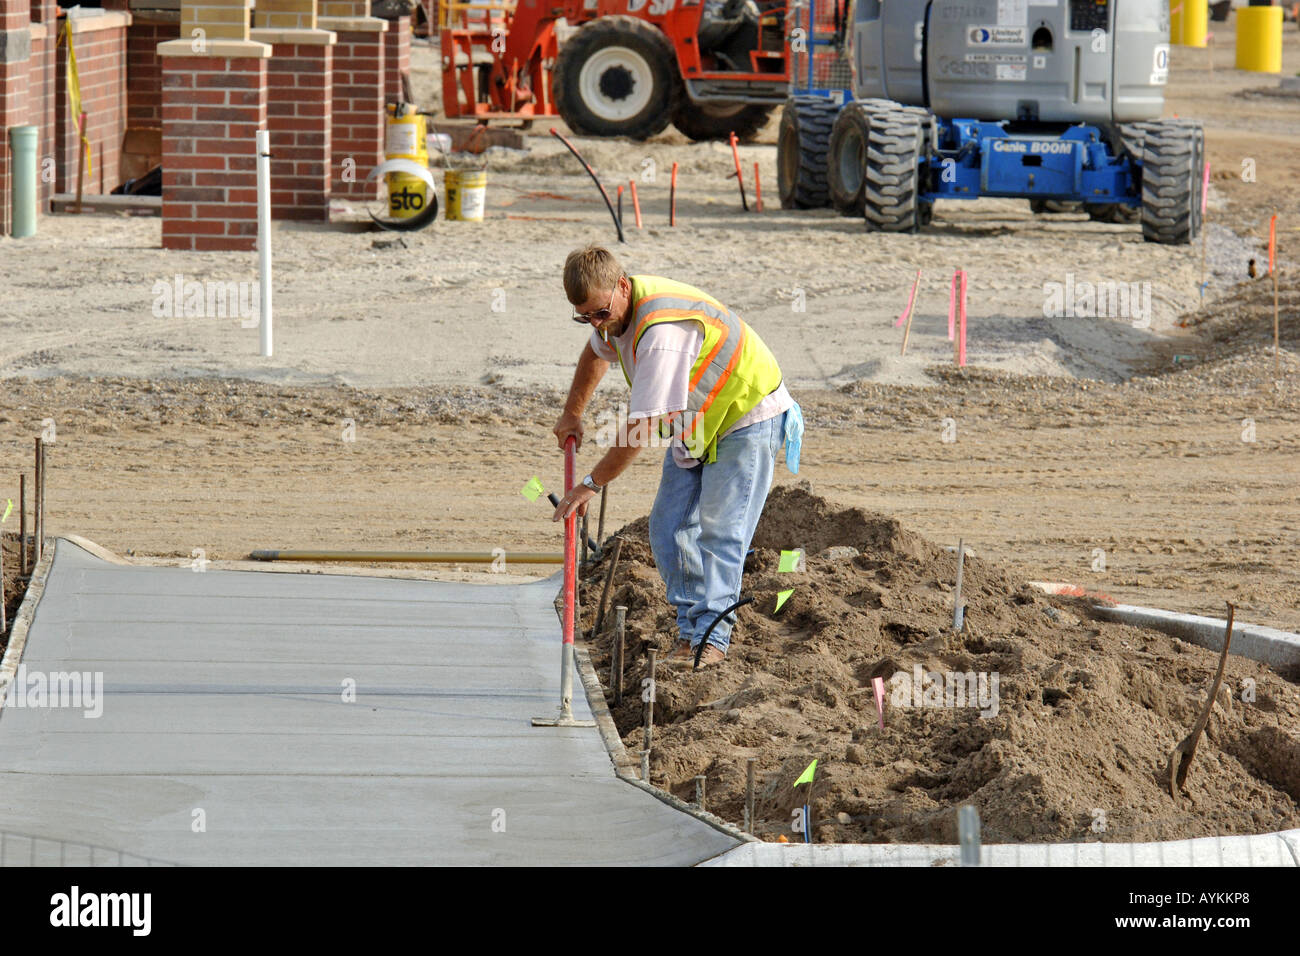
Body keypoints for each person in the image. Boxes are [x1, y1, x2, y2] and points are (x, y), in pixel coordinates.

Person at [551, 245, 803, 668]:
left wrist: (591, 484)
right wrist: (572, 413)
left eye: (600, 312)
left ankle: (712, 641)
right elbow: (597, 351)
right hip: (700, 422)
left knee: (722, 533)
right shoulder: (614, 313)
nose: (597, 324)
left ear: (623, 286)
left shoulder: (663, 334)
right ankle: (692, 632)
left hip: (747, 415)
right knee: (668, 527)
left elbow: (640, 428)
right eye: (585, 317)